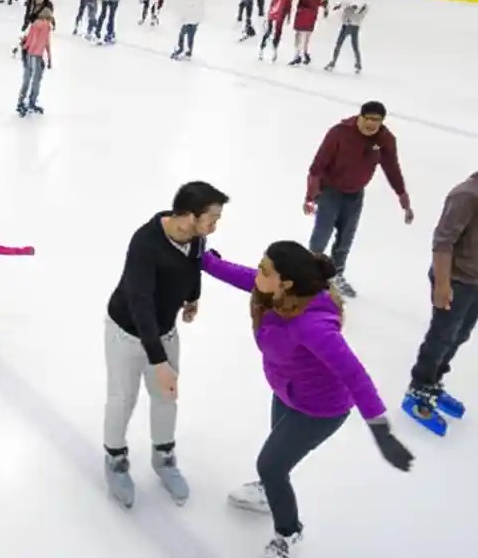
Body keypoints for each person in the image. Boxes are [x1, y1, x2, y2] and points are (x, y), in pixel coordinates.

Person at [200, 243, 412, 557]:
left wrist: (382, 432)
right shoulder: (270, 293)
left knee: (270, 465)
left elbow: (355, 375)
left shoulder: (312, 325)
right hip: (288, 390)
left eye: (265, 269)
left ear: (286, 283)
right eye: (261, 264)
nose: (257, 272)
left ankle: (289, 532)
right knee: (276, 459)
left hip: (320, 409)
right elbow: (239, 275)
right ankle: (269, 490)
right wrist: (202, 258)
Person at [104, 181, 229, 509]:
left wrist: (192, 297)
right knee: (122, 399)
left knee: (167, 396)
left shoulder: (197, 238)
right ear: (189, 216)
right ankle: (115, 459)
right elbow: (140, 304)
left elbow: (195, 265)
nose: (215, 225)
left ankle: (164, 457)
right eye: (212, 218)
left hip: (165, 331)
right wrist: (158, 362)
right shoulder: (145, 244)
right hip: (127, 333)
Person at [304, 101, 412, 298]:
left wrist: (402, 196)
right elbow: (317, 166)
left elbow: (392, 167)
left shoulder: (384, 139)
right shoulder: (339, 133)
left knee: (346, 238)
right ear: (360, 117)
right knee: (321, 235)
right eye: (368, 119)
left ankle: (336, 275)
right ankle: (310, 274)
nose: (371, 124)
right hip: (330, 192)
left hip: (355, 195)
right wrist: (311, 196)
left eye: (376, 120)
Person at [403, 171, 478, 435]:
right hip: (456, 281)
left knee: (460, 335)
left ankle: (434, 380)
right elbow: (443, 242)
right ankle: (419, 388)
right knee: (442, 336)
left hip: (475, 282)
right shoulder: (466, 195)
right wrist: (443, 285)